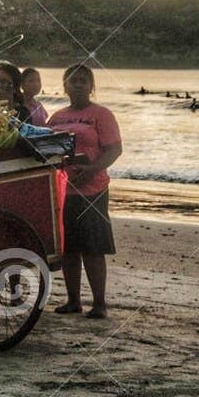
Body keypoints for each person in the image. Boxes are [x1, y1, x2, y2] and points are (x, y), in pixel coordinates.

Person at [48, 63, 122, 319]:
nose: (78, 84)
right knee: (68, 248)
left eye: (83, 80)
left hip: (93, 190)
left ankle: (99, 303)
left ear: (91, 87)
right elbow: (45, 148)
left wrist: (91, 170)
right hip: (63, 190)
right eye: (74, 80)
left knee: (93, 248)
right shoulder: (56, 118)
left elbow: (114, 149)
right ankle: (73, 300)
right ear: (65, 86)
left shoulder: (102, 115)